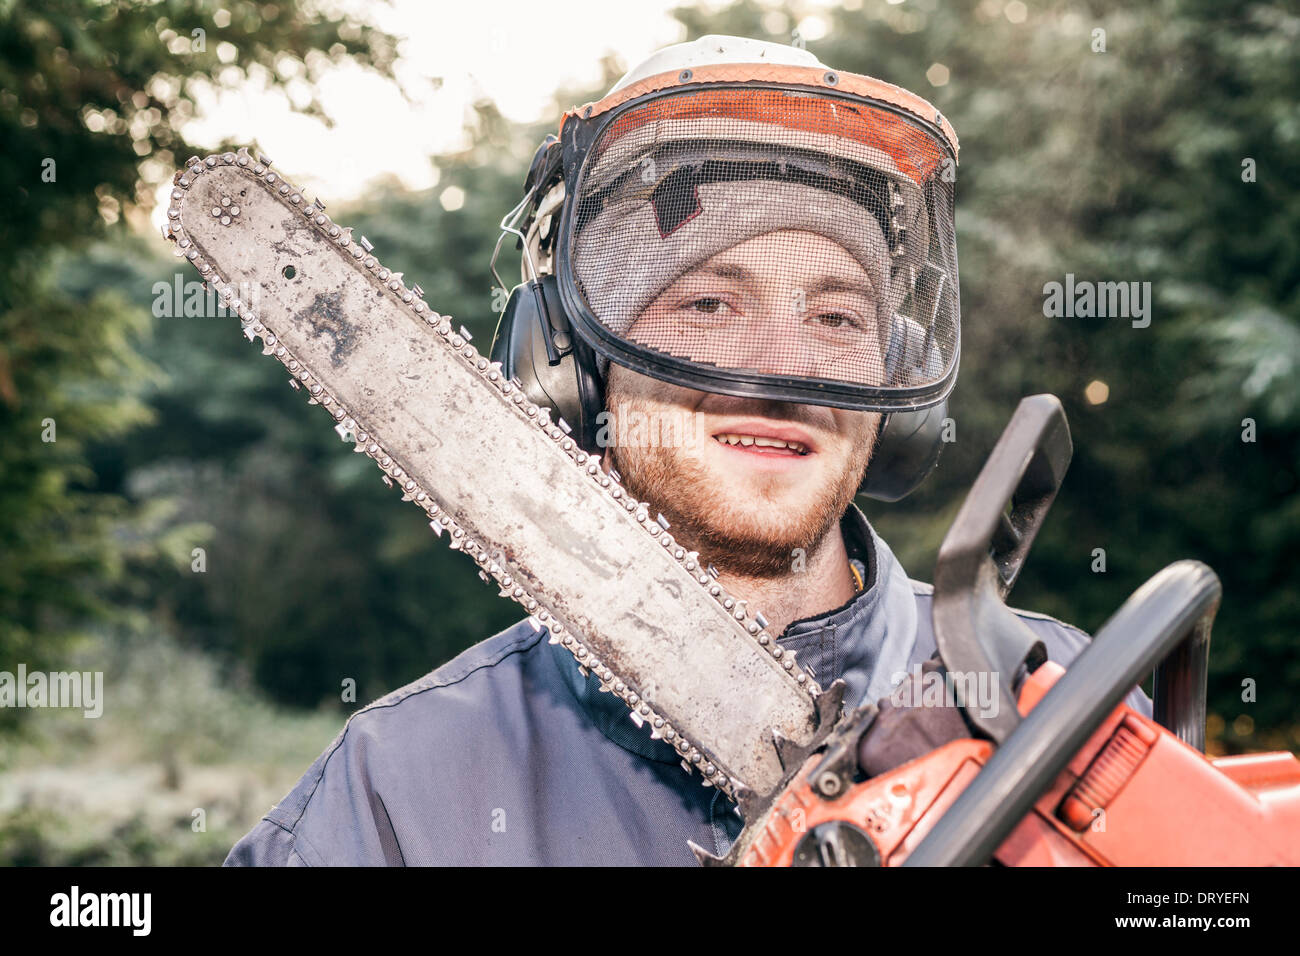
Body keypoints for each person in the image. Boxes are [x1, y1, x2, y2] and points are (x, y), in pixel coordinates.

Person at [225, 35, 1150, 867]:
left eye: (835, 316)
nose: (784, 374)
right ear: (576, 369)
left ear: (894, 379)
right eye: (708, 306)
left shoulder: (1069, 707)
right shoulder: (396, 798)